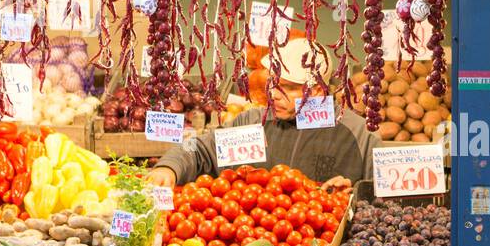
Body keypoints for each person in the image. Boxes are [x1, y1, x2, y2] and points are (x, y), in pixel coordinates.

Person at [148, 37, 378, 190]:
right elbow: (198, 149)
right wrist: (170, 166)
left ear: (317, 90)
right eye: (272, 85)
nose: (274, 95)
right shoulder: (252, 123)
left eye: (287, 87)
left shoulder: (357, 135)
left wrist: (355, 192)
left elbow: (383, 194)